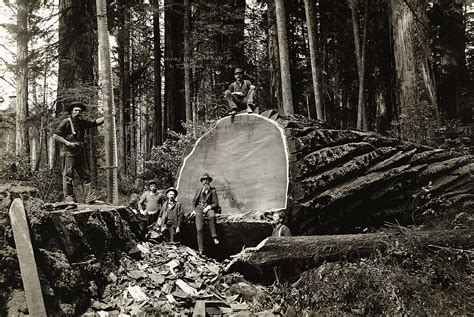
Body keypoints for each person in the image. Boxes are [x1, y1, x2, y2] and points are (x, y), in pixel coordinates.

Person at [53, 101, 104, 203]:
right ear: (71, 111)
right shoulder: (66, 122)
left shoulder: (82, 123)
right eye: (76, 110)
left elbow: (94, 123)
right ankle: (69, 200)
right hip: (68, 152)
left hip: (80, 152)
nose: (78, 112)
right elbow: (55, 135)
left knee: (86, 176)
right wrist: (67, 143)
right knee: (68, 176)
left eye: (80, 111)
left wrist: (107, 117)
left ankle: (90, 199)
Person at [190, 172, 221, 253]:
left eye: (207, 180)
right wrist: (194, 210)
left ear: (209, 181)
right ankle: (200, 249)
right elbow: (194, 202)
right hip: (198, 208)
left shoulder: (213, 191)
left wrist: (208, 207)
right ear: (202, 182)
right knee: (199, 228)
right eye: (204, 180)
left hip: (208, 207)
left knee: (212, 216)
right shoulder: (199, 190)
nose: (206, 182)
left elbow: (216, 203)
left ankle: (214, 236)